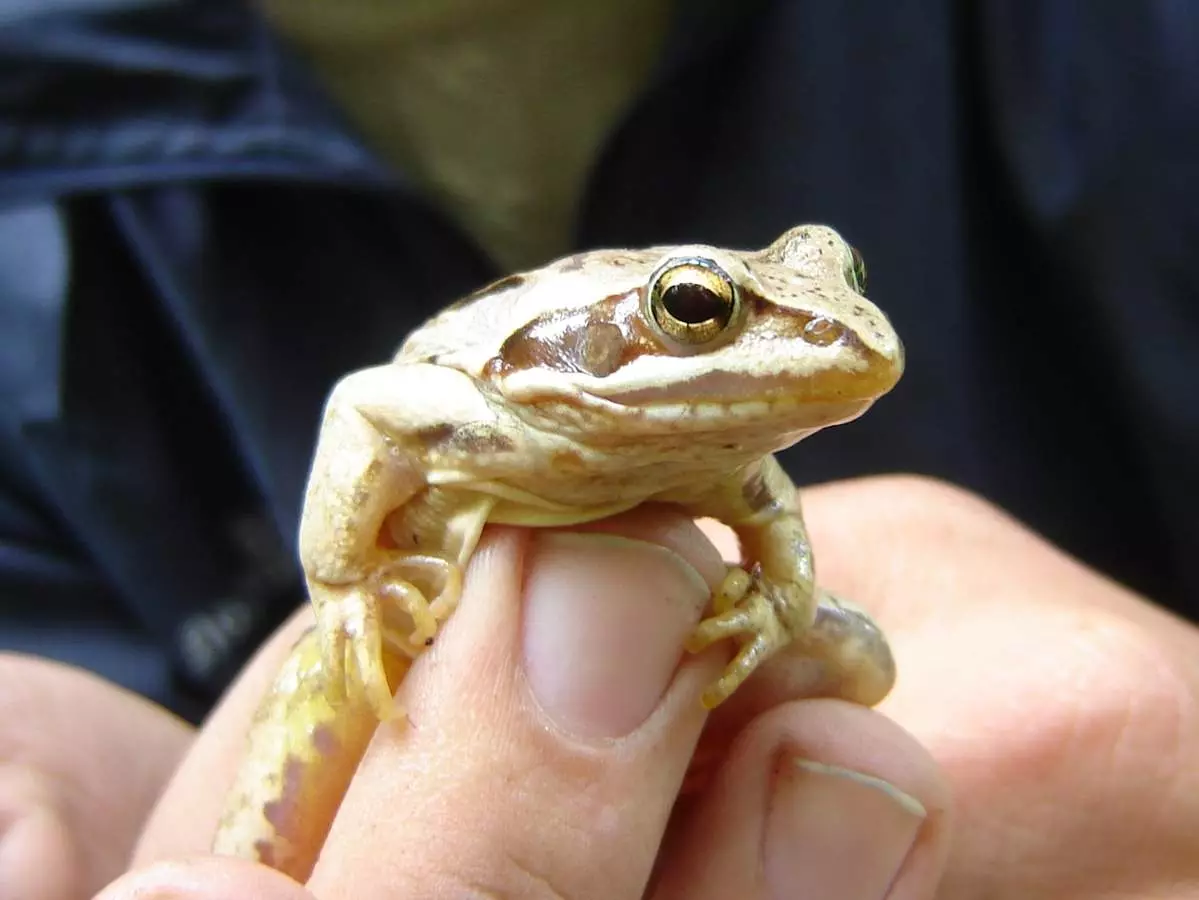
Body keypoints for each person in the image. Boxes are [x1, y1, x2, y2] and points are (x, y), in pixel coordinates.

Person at [2, 1, 1197, 897]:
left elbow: (770, 516)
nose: (828, 336)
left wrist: (779, 603)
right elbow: (373, 406)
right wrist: (344, 586)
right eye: (699, 310)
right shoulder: (31, 183)